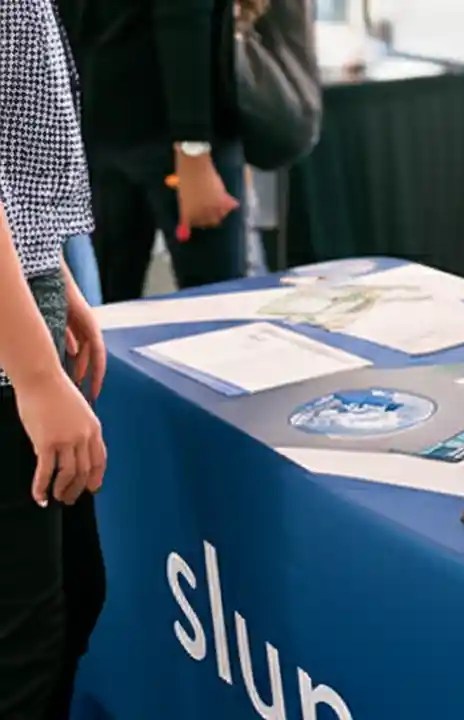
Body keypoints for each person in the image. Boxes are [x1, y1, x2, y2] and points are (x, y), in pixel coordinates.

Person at [0, 2, 109, 717]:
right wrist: (36, 375)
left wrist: (52, 273)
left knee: (72, 595)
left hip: (23, 292)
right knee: (25, 639)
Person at [58, 0, 244, 303]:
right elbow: (184, 14)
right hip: (175, 138)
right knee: (215, 304)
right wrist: (193, 146)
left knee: (109, 306)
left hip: (101, 124)